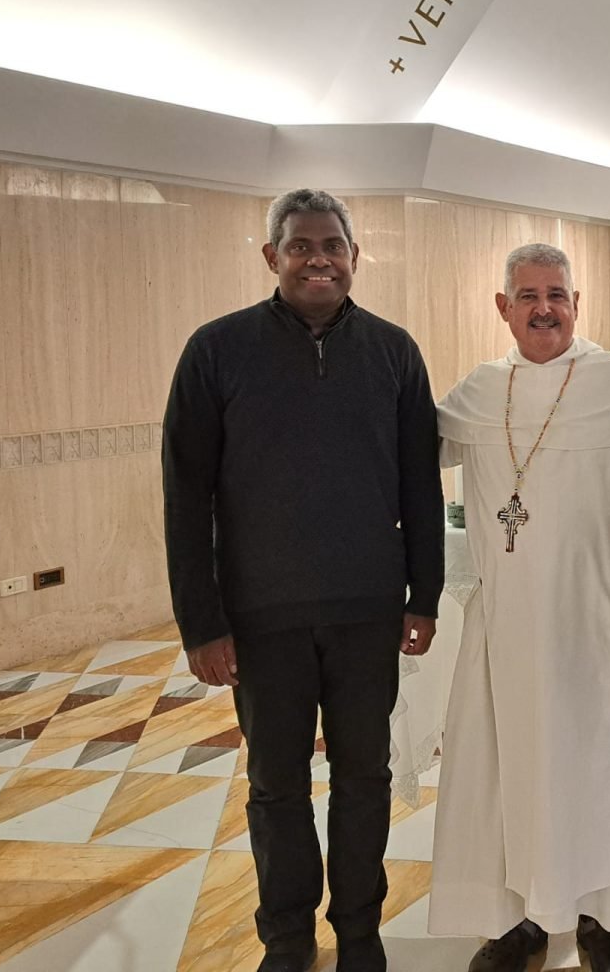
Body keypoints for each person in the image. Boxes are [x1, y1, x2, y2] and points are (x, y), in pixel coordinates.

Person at [163, 188, 444, 972]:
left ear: (355, 257)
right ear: (271, 257)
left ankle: (359, 934)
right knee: (275, 787)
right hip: (261, 619)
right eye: (301, 246)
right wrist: (202, 623)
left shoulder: (394, 352)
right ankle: (286, 940)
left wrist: (424, 593)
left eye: (333, 246)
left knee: (366, 780)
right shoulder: (216, 351)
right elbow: (185, 495)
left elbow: (420, 484)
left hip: (366, 613)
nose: (318, 259)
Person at [430, 243, 610, 972]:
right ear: (503, 307)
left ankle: (603, 919)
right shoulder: (481, 392)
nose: (543, 307)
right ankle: (518, 919)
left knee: (603, 767)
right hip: (509, 629)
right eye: (527, 295)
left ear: (577, 304)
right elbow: (405, 451)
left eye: (556, 294)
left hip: (603, 622)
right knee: (506, 773)